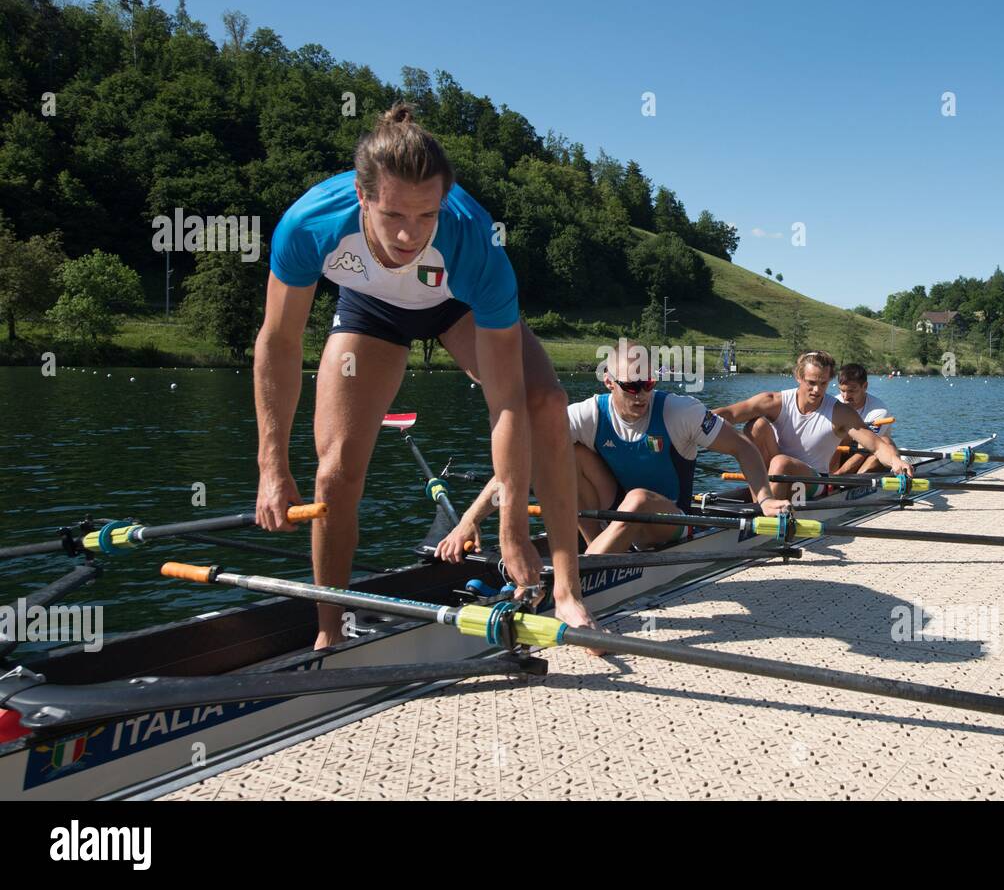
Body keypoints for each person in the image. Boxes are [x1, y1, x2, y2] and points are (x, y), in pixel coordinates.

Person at [254, 103, 592, 648]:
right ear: (363, 197)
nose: (410, 235)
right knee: (335, 471)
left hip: (454, 306)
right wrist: (271, 464)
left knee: (545, 402)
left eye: (426, 216)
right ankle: (330, 633)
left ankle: (567, 593)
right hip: (371, 311)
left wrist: (510, 524)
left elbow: (505, 403)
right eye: (393, 217)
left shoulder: (474, 241)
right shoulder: (311, 224)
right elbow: (279, 341)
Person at [437, 340, 791, 562]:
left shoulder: (680, 412)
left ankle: (584, 571)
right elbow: (515, 466)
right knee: (564, 453)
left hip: (669, 523)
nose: (641, 395)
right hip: (610, 517)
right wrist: (469, 521)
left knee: (636, 499)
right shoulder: (589, 413)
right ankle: (599, 554)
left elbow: (743, 447)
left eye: (648, 384)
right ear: (608, 382)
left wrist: (764, 499)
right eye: (631, 386)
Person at [711, 350, 913, 501]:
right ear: (798, 376)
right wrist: (694, 421)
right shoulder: (773, 401)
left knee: (782, 463)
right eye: (811, 382)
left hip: (816, 481)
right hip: (778, 469)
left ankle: (765, 512)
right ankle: (763, 500)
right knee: (755, 427)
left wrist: (896, 461)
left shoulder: (840, 412)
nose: (817, 390)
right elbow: (729, 413)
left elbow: (877, 445)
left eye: (823, 383)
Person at [829, 363, 892, 475]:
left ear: (865, 386)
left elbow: (864, 451)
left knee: (886, 442)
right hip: (841, 452)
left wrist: (839, 475)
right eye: (842, 390)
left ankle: (855, 481)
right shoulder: (834, 404)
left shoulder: (879, 411)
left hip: (867, 454)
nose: (845, 397)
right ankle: (829, 480)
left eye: (852, 391)